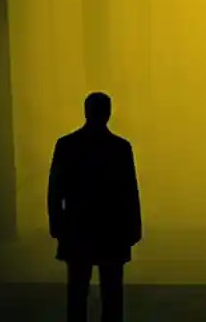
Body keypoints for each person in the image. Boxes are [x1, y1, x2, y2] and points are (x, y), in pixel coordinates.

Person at [48, 92, 142, 322]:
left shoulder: (67, 145)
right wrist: (133, 227)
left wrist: (57, 223)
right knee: (112, 292)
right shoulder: (120, 148)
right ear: (108, 114)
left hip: (77, 227)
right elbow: (130, 192)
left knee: (77, 290)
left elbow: (55, 190)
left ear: (86, 111)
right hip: (112, 229)